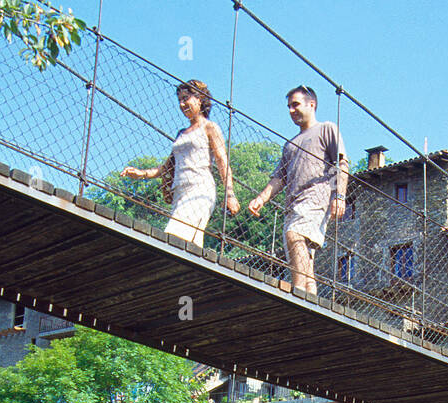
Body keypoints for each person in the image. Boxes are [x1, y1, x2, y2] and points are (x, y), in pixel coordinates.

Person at [247, 85, 348, 294]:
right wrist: (261, 198)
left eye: (295, 104)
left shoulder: (326, 128)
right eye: (289, 107)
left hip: (316, 195)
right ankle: (310, 297)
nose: (291, 110)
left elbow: (342, 163)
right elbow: (279, 178)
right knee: (303, 257)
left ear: (312, 104)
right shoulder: (290, 144)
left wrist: (339, 195)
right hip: (292, 203)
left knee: (295, 235)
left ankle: (299, 291)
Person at [121, 80, 238, 247]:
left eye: (186, 98)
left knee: (172, 238)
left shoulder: (210, 128)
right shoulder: (181, 134)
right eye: (179, 101)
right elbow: (167, 167)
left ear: (200, 99)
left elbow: (222, 162)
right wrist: (142, 174)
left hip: (200, 188)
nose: (182, 104)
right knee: (191, 245)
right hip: (180, 192)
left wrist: (230, 194)